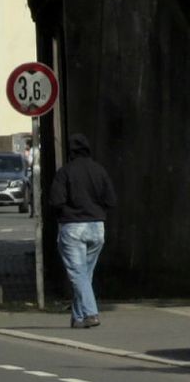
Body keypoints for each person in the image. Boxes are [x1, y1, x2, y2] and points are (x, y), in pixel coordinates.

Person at [49, 133, 117, 329]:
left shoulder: (65, 172)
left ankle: (91, 313)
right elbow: (111, 200)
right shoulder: (99, 171)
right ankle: (78, 317)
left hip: (73, 228)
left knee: (78, 274)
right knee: (84, 275)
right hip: (97, 228)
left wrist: (64, 213)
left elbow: (56, 201)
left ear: (70, 152)